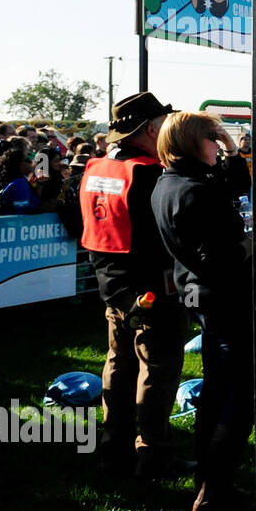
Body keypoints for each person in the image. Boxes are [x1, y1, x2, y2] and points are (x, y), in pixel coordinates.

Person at [151, 113, 254, 511]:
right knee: (238, 400)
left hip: (204, 297)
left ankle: (213, 485)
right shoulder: (193, 191)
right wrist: (249, 247)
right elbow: (221, 255)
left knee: (216, 391)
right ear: (193, 143)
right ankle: (214, 493)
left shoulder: (173, 181)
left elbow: (235, 184)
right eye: (211, 138)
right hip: (222, 297)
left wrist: (231, 149)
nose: (217, 144)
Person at [79, 92, 188, 477]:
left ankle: (115, 447)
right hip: (152, 288)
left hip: (113, 285)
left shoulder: (96, 168)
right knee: (157, 370)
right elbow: (167, 236)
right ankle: (154, 454)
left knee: (120, 365)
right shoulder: (150, 173)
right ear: (150, 129)